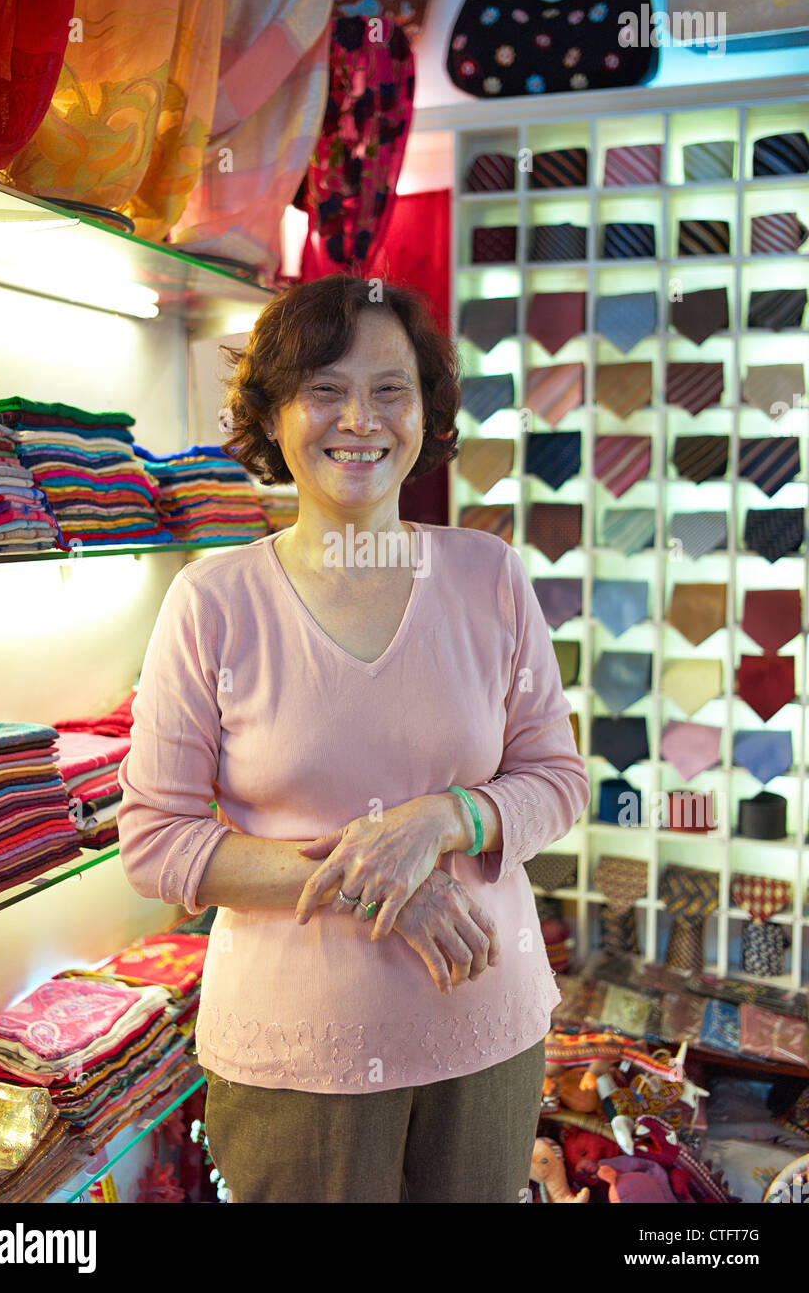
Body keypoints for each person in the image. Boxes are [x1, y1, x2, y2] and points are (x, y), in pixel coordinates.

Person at [117, 273, 590, 1203]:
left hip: (487, 1033)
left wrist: (445, 819)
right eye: (324, 389)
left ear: (426, 413)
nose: (360, 419)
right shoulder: (213, 603)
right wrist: (379, 884)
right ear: (273, 413)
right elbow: (156, 842)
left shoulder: (488, 576)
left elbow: (558, 779)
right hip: (300, 1057)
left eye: (389, 390)